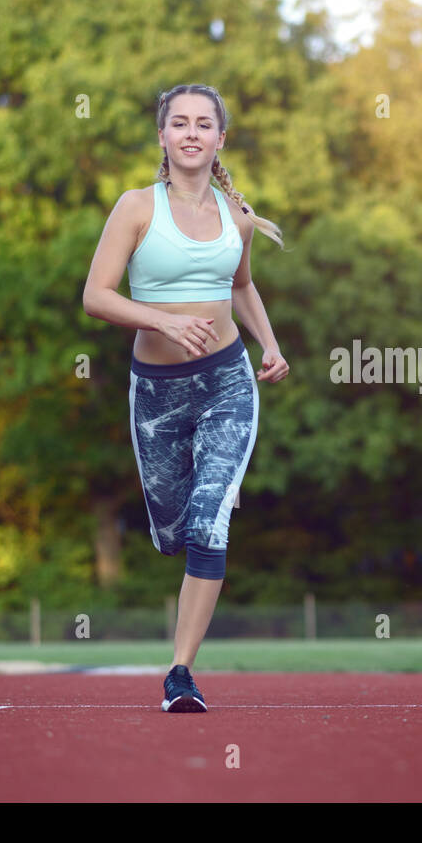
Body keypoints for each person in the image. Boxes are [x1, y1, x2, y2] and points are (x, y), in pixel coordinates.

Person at [83, 84, 288, 712]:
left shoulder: (238, 217)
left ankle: (180, 672)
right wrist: (163, 321)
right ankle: (173, 534)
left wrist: (270, 346)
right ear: (164, 137)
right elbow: (96, 295)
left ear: (221, 139)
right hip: (158, 393)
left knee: (210, 521)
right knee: (174, 529)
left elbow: (243, 287)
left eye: (205, 124)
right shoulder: (136, 207)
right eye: (180, 123)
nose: (192, 132)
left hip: (228, 382)